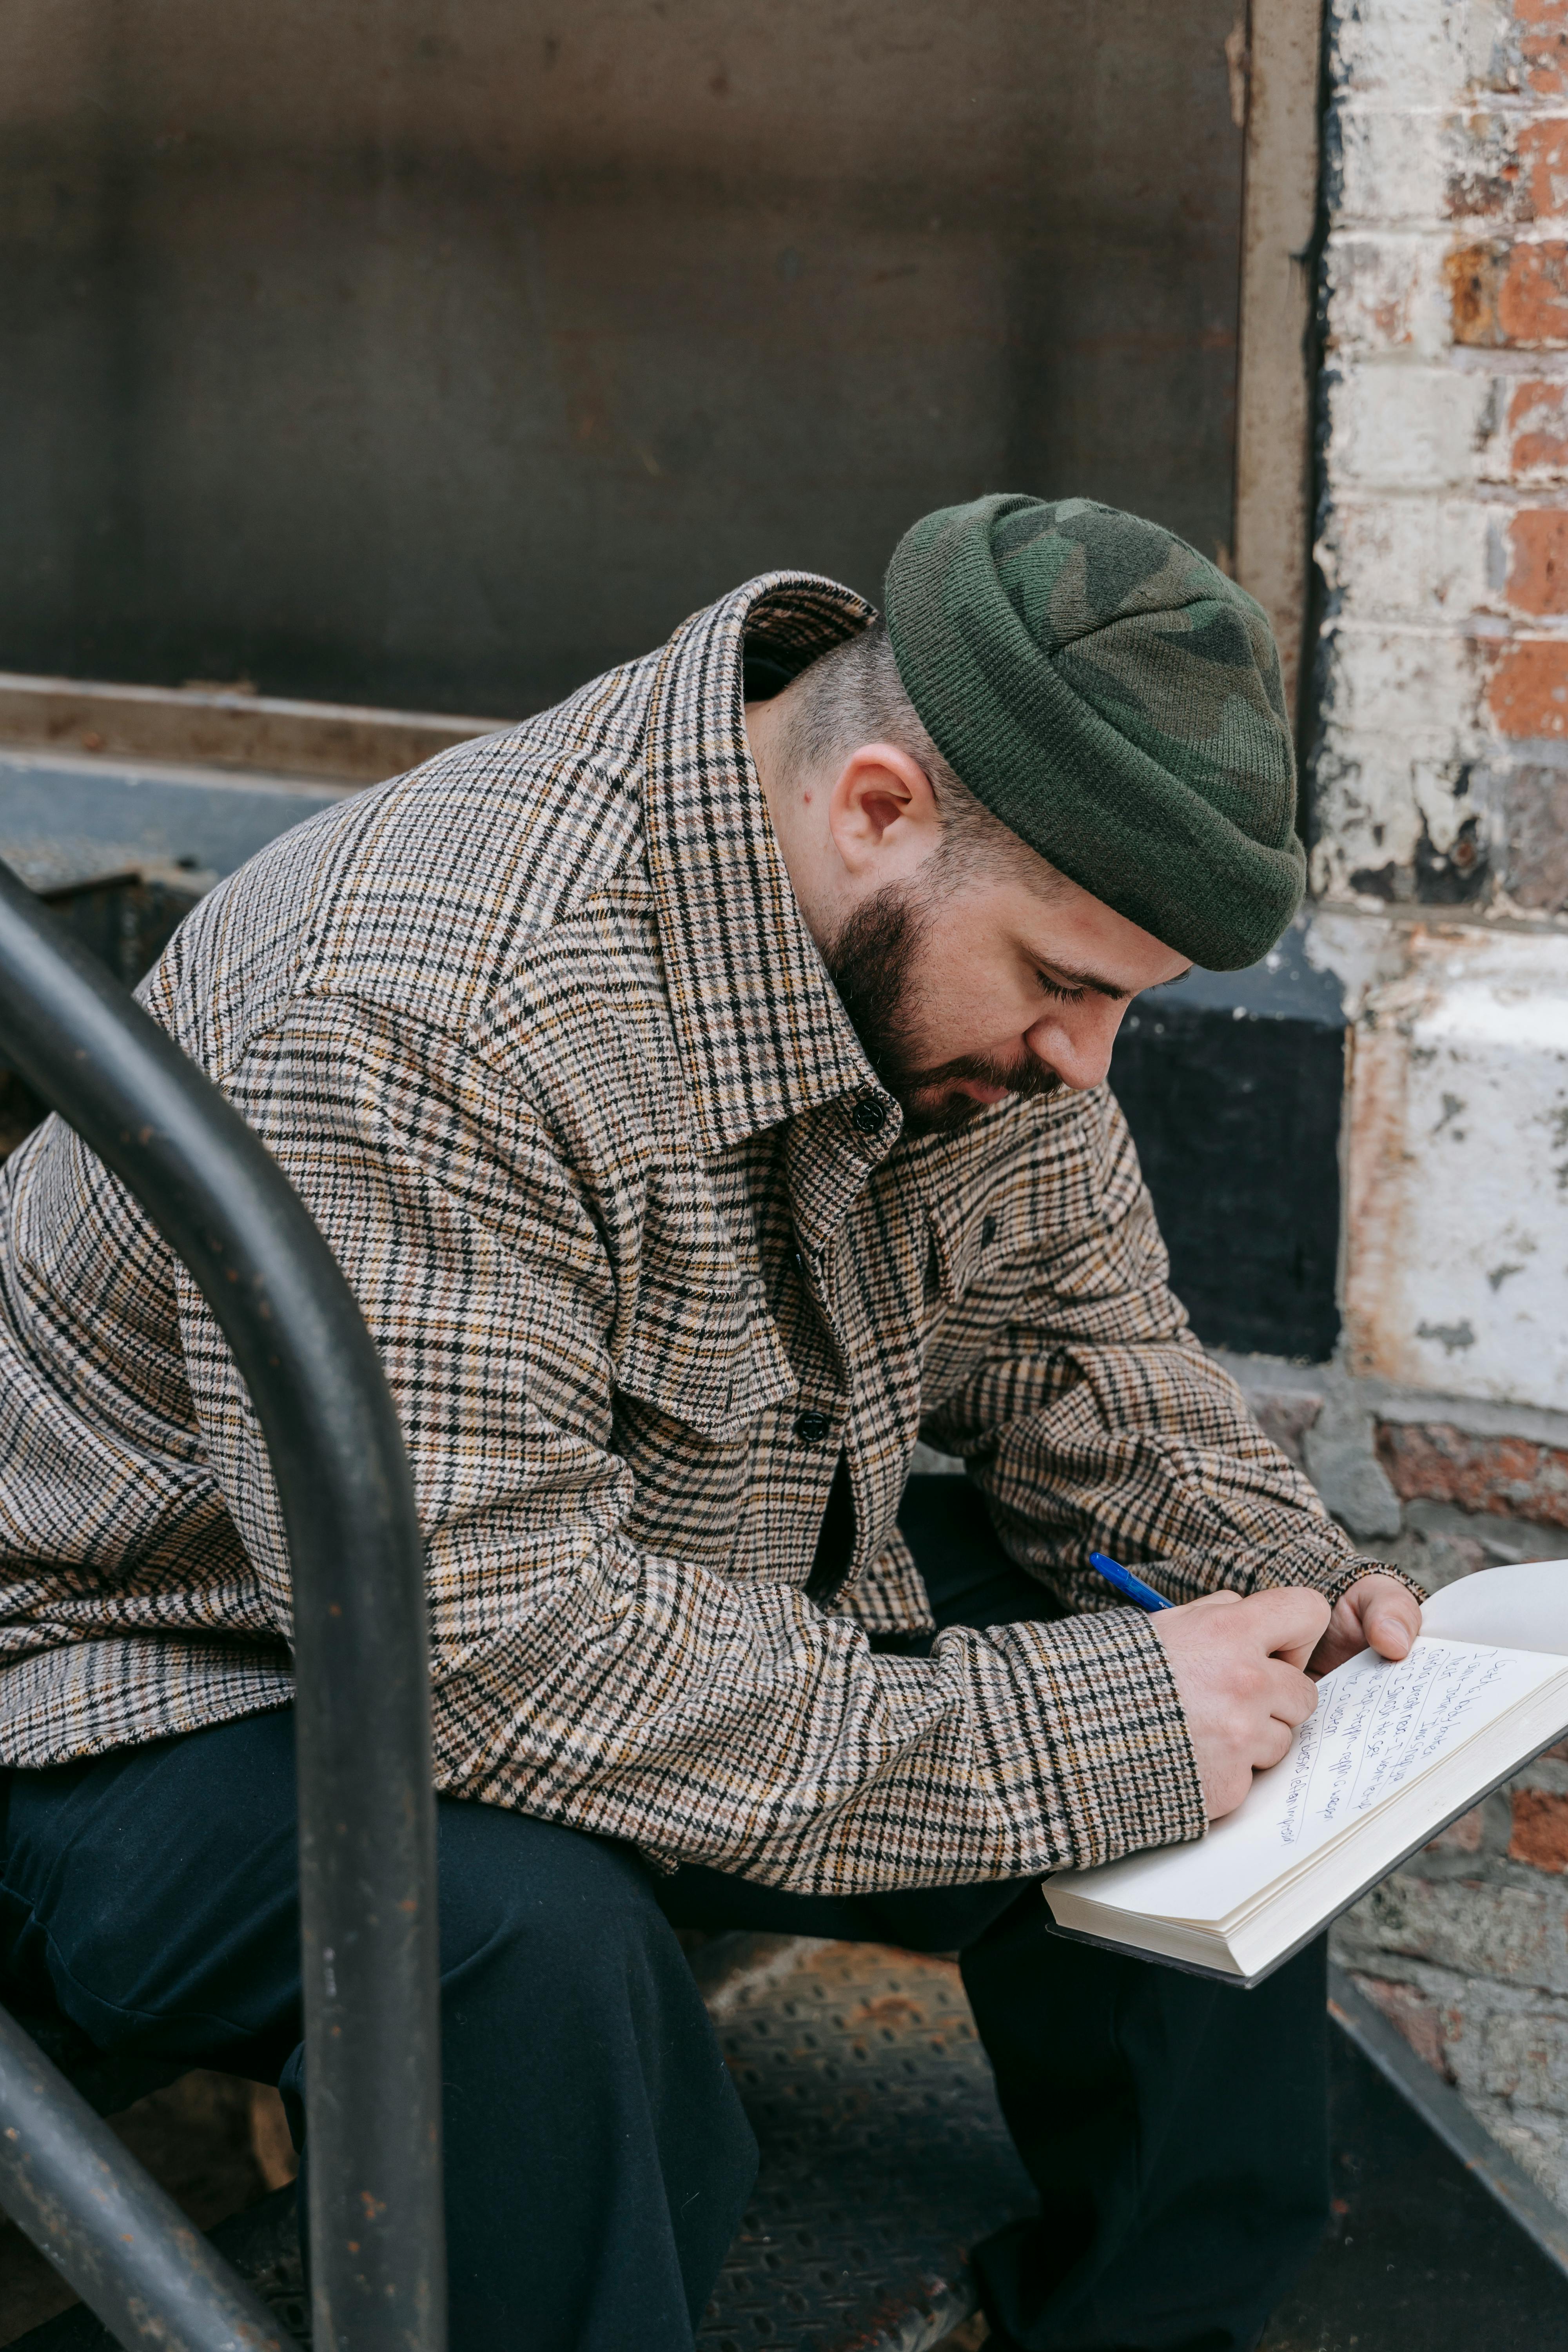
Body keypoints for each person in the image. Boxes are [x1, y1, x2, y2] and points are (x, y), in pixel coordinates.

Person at [0, 495, 1422, 2350]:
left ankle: (1145, 2323)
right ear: (879, 809)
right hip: (136, 1688)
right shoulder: (429, 1010)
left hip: (619, 1578)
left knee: (1177, 1640)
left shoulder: (939, 961)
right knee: (524, 1932)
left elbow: (1087, 1360)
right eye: (1068, 985)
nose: (1090, 1060)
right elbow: (484, 1662)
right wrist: (1098, 1734)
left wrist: (1291, 1586)